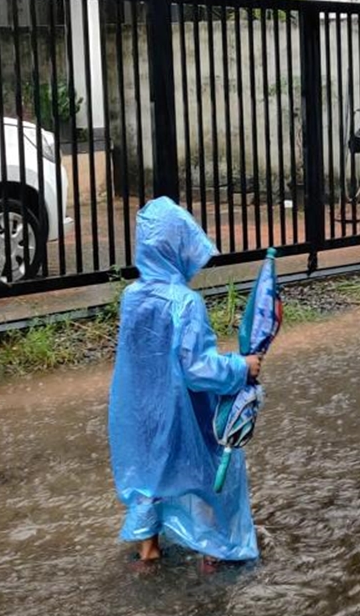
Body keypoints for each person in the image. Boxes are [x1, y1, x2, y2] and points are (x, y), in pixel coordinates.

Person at [107, 198, 262, 563]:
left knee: (149, 474)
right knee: (206, 474)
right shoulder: (184, 303)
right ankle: (213, 548)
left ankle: (149, 549)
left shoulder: (132, 297)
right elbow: (198, 369)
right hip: (181, 412)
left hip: (140, 410)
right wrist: (241, 367)